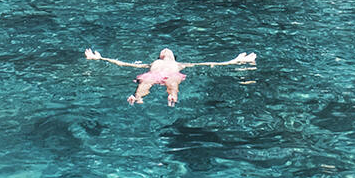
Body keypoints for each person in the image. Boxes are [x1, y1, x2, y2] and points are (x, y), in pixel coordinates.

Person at [84, 47, 256, 106]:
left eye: (168, 50)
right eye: (163, 51)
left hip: (171, 74)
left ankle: (172, 97)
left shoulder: (181, 65)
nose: (165, 49)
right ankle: (137, 98)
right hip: (153, 74)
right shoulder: (150, 65)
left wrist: (236, 60)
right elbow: (123, 63)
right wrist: (100, 58)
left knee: (173, 84)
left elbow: (211, 64)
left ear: (173, 56)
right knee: (144, 84)